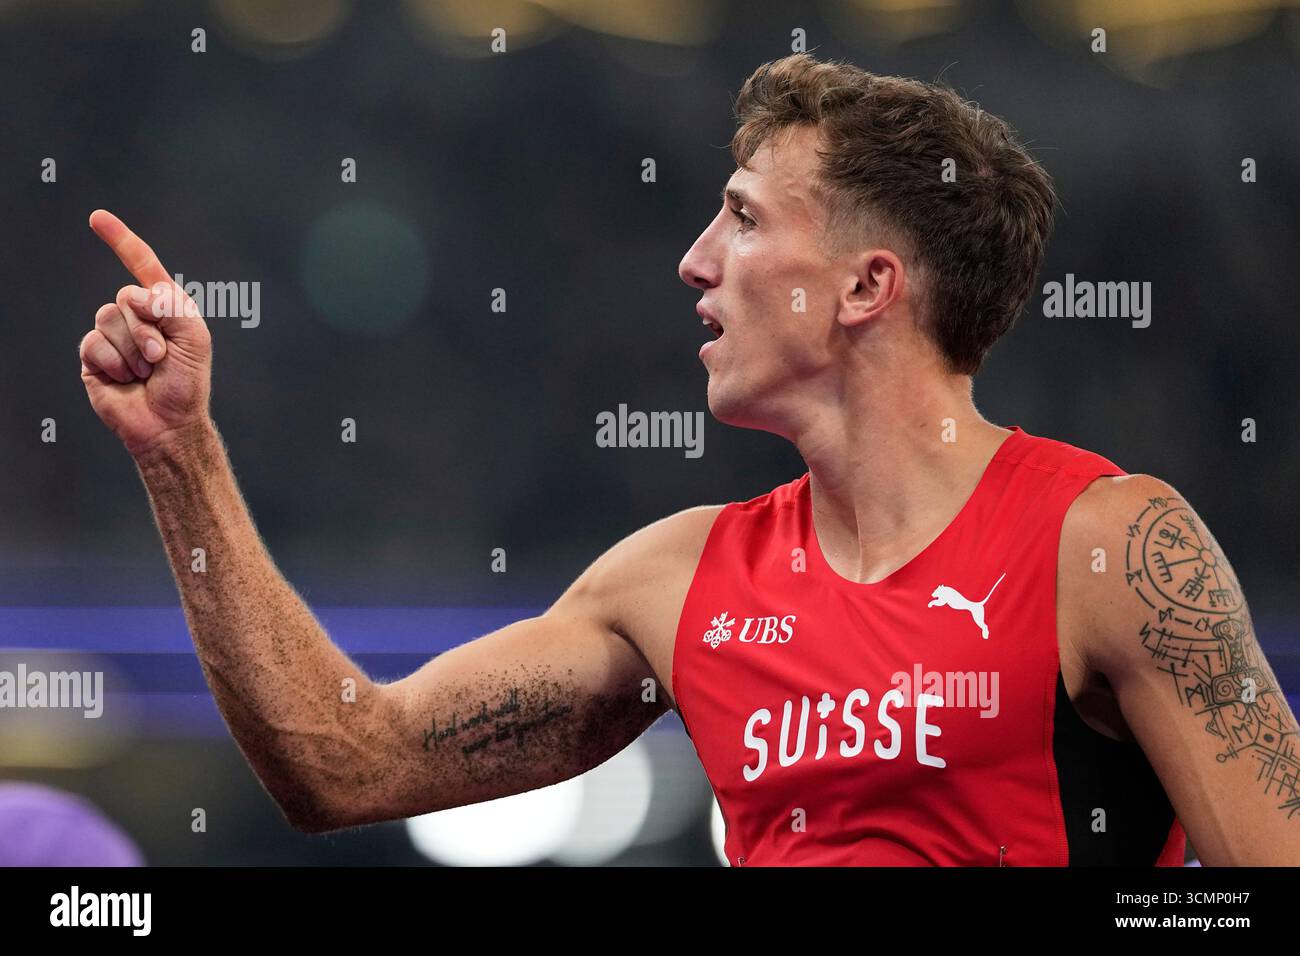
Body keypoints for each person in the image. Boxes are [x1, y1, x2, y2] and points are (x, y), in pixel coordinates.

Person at [77, 54, 1298, 865]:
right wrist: (182, 454)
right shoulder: (674, 583)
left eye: (746, 218)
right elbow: (344, 759)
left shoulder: (1111, 546)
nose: (694, 260)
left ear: (869, 286)